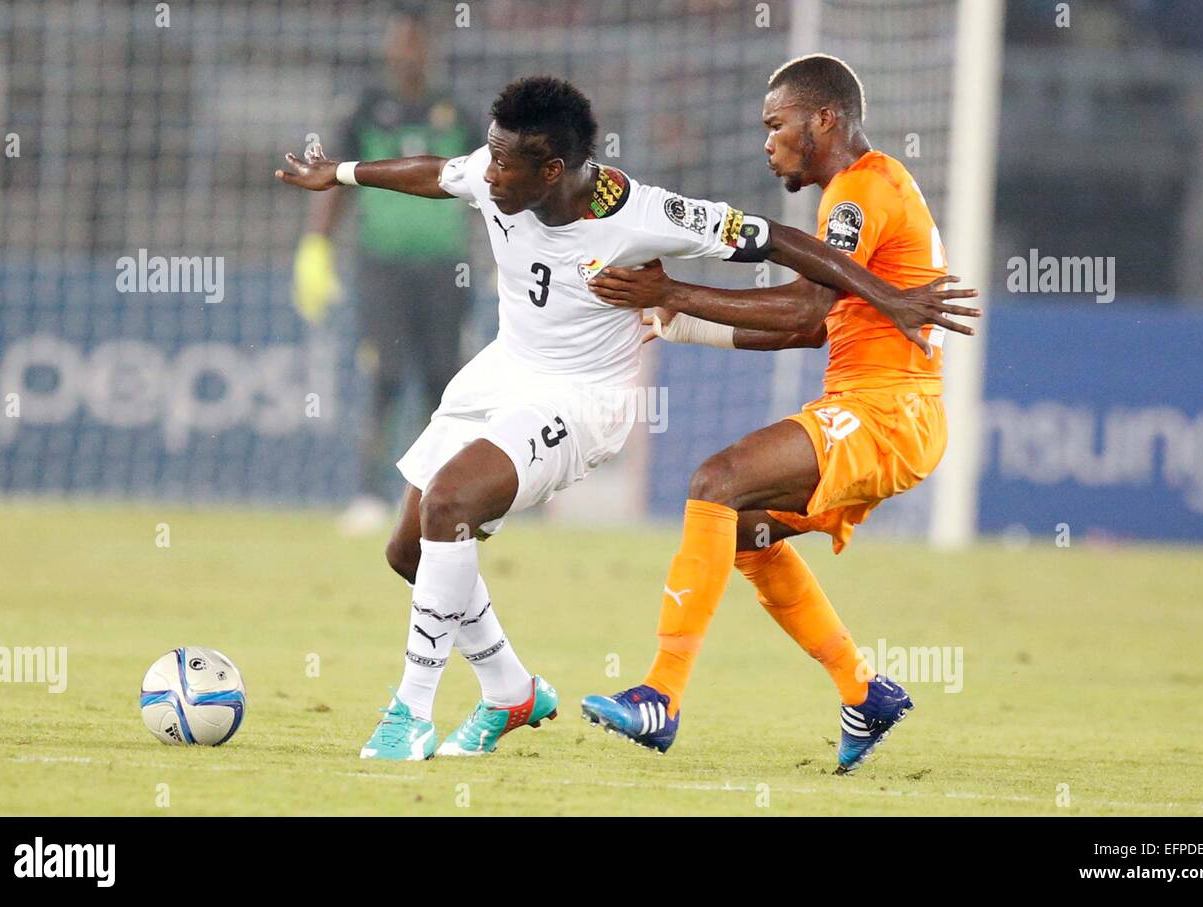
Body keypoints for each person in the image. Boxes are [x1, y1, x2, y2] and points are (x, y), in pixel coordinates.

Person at [275, 74, 977, 761]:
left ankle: (436, 710)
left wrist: (875, 295)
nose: (486, 173)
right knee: (412, 550)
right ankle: (513, 689)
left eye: (775, 125)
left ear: (552, 170)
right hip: (501, 372)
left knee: (699, 484)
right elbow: (436, 172)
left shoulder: (659, 214)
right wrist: (337, 173)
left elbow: (792, 284)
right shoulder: (496, 175)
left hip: (587, 399)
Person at [582, 54, 978, 773]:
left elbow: (803, 307)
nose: (768, 142)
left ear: (822, 119)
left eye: (776, 124)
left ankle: (660, 698)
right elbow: (807, 326)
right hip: (878, 411)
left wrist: (672, 290)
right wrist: (680, 316)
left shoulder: (859, 195)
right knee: (734, 529)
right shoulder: (865, 190)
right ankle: (863, 690)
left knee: (714, 480)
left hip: (888, 412)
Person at [292, 11, 473, 535]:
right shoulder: (365, 109)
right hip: (382, 266)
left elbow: (487, 186)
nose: (406, 52)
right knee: (386, 378)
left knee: (444, 384)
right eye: (398, 43)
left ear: (429, 48)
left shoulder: (457, 111)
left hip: (447, 267)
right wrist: (314, 248)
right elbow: (335, 182)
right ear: (389, 49)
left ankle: (433, 495)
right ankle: (370, 495)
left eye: (414, 42)